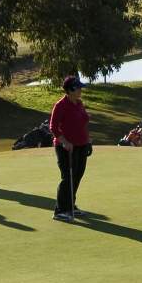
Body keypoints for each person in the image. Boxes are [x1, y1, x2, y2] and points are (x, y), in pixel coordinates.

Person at [49, 75, 92, 223]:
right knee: (68, 177)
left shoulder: (79, 103)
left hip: (81, 145)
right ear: (71, 89)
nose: (81, 90)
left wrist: (88, 141)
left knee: (77, 175)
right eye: (78, 87)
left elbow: (83, 123)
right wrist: (65, 142)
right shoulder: (60, 105)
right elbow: (53, 128)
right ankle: (60, 210)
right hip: (66, 148)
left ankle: (70, 206)